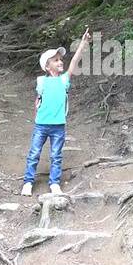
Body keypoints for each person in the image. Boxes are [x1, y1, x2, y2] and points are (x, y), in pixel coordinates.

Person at [21, 27, 92, 197]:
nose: (61, 62)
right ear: (47, 66)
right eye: (56, 60)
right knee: (34, 153)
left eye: (61, 59)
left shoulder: (64, 80)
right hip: (41, 125)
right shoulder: (41, 81)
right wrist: (37, 103)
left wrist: (83, 43)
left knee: (56, 155)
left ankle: (54, 183)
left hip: (58, 126)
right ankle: (28, 182)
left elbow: (74, 61)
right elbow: (39, 98)